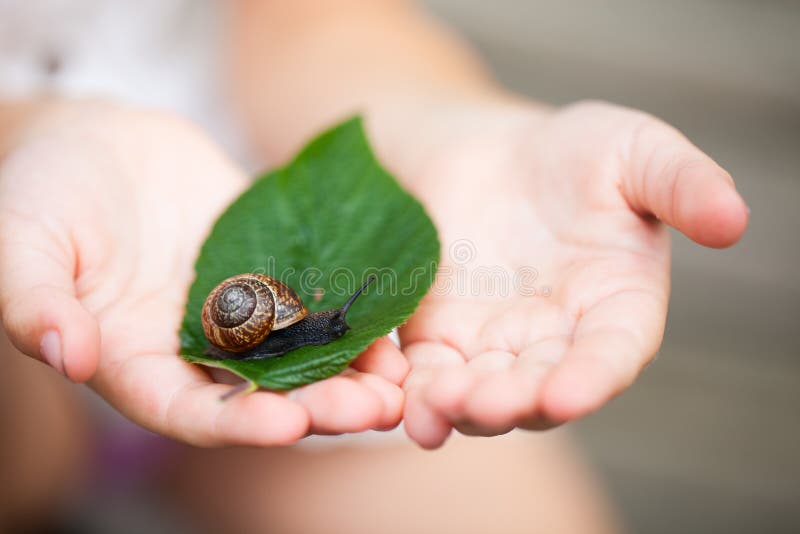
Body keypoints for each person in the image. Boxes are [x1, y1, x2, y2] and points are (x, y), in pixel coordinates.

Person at [0, 1, 748, 532]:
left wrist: (447, 120)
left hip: (234, 166)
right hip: (40, 236)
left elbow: (316, 19)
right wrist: (28, 136)